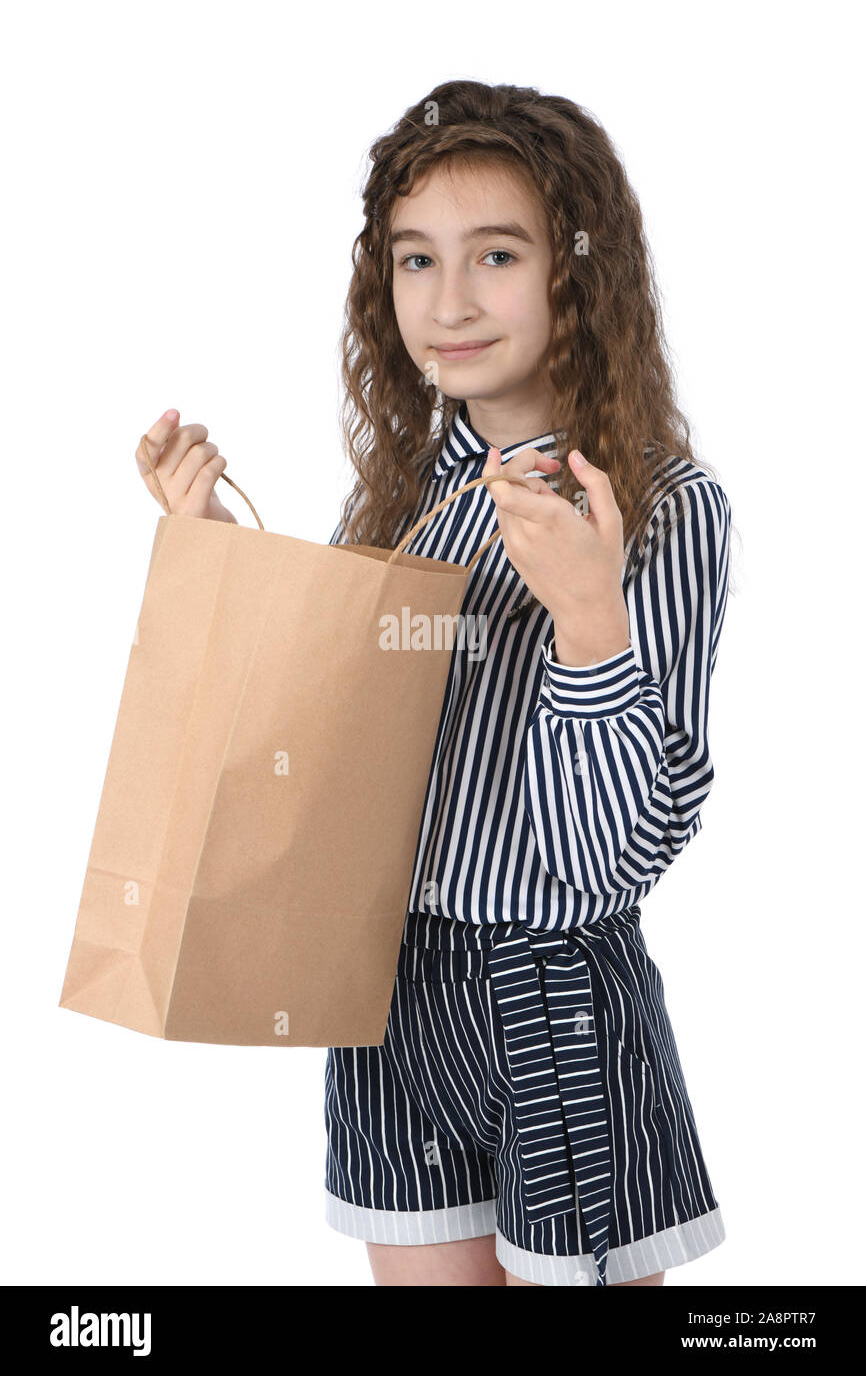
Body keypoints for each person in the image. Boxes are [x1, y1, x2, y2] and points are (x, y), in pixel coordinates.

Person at [135, 79, 734, 1289]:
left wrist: (585, 614)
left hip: (548, 986)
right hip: (383, 981)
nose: (447, 305)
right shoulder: (413, 495)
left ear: (579, 270)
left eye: (494, 255)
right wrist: (213, 553)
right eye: (415, 260)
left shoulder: (663, 509)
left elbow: (613, 850)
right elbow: (329, 754)